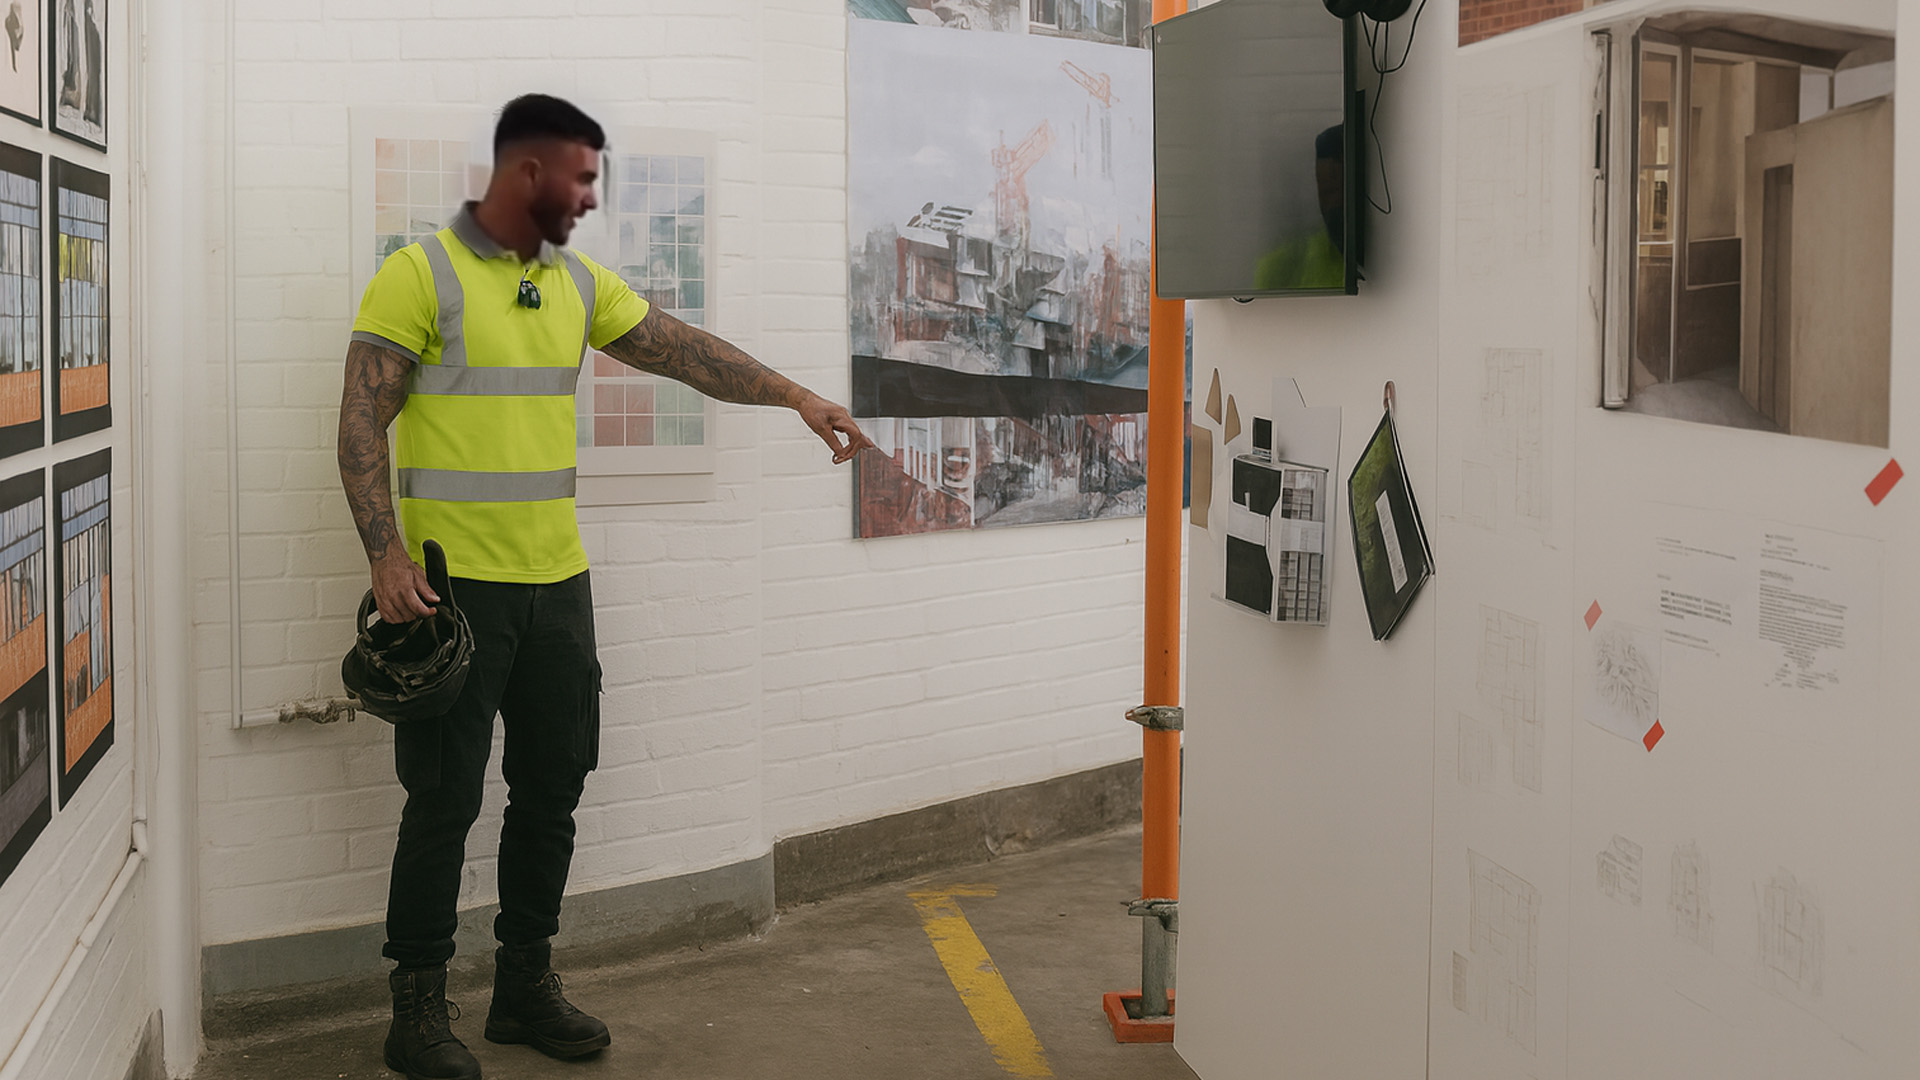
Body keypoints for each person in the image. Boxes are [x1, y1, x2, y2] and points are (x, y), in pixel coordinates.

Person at [337, 94, 873, 1080]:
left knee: (552, 790)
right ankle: (416, 1008)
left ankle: (521, 987)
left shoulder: (574, 284)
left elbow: (682, 349)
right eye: (581, 178)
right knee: (444, 802)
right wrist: (384, 553)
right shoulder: (420, 274)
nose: (590, 197)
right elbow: (361, 422)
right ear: (528, 173)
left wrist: (797, 395)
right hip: (452, 596)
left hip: (557, 587)